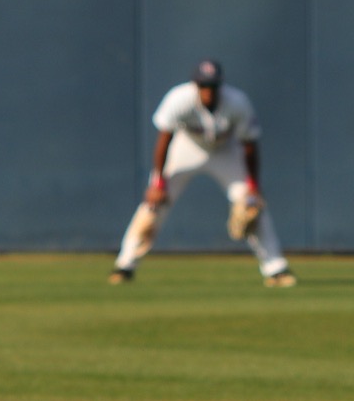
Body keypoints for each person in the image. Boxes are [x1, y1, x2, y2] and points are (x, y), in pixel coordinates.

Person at [109, 59, 296, 287]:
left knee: (251, 207)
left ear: (220, 86)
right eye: (203, 85)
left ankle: (275, 268)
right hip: (185, 148)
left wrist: (253, 186)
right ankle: (124, 265)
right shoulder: (179, 98)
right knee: (152, 207)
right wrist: (158, 183)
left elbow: (249, 146)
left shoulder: (237, 102)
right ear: (195, 85)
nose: (208, 91)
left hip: (226, 152)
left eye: (213, 86)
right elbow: (163, 142)